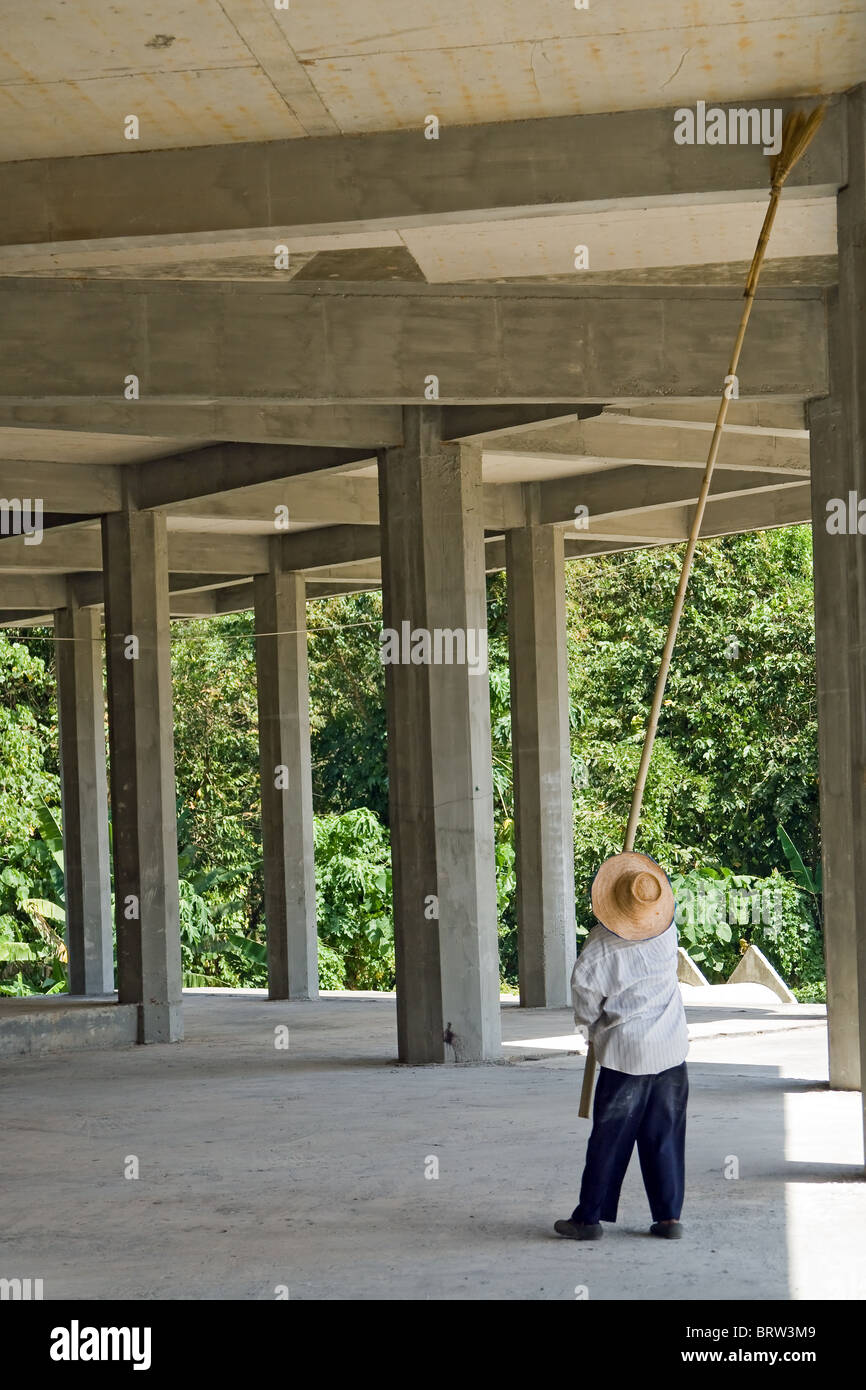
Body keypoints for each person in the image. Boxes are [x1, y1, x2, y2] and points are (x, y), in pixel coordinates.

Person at [554, 851, 689, 1241]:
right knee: (664, 1136)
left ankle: (588, 1219)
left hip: (626, 1057)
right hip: (670, 1053)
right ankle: (668, 1219)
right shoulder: (667, 931)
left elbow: (584, 1001)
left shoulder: (598, 948)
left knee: (609, 1141)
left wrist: (591, 1029)